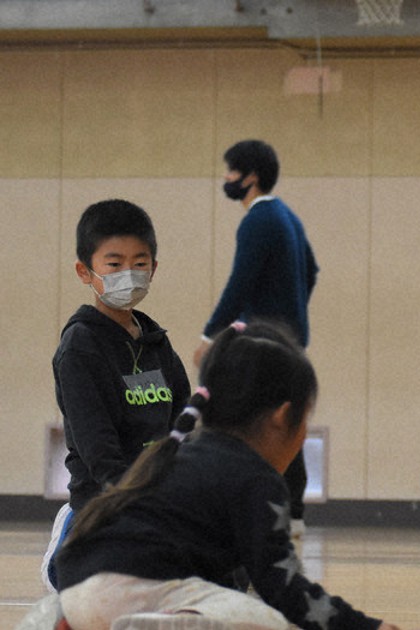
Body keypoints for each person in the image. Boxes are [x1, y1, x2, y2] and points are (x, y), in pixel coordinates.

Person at [53, 321, 401, 630]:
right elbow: (283, 589)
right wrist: (365, 626)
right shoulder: (255, 478)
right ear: (283, 417)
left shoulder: (178, 455)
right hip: (130, 596)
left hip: (75, 593)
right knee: (266, 622)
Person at [42, 200, 191, 591]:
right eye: (114, 263)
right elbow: (99, 452)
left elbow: (184, 425)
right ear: (85, 271)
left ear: (154, 268)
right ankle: (67, 547)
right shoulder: (80, 348)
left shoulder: (157, 344)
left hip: (158, 502)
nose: (129, 274)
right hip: (105, 506)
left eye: (140, 263)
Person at [194, 139, 319, 535]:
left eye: (231, 171)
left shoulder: (257, 220)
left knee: (249, 418)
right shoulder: (288, 216)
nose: (226, 179)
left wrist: (210, 334)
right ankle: (293, 512)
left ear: (250, 177)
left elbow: (240, 282)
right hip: (290, 338)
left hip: (263, 341)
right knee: (285, 417)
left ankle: (248, 507)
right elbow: (311, 270)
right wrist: (292, 310)